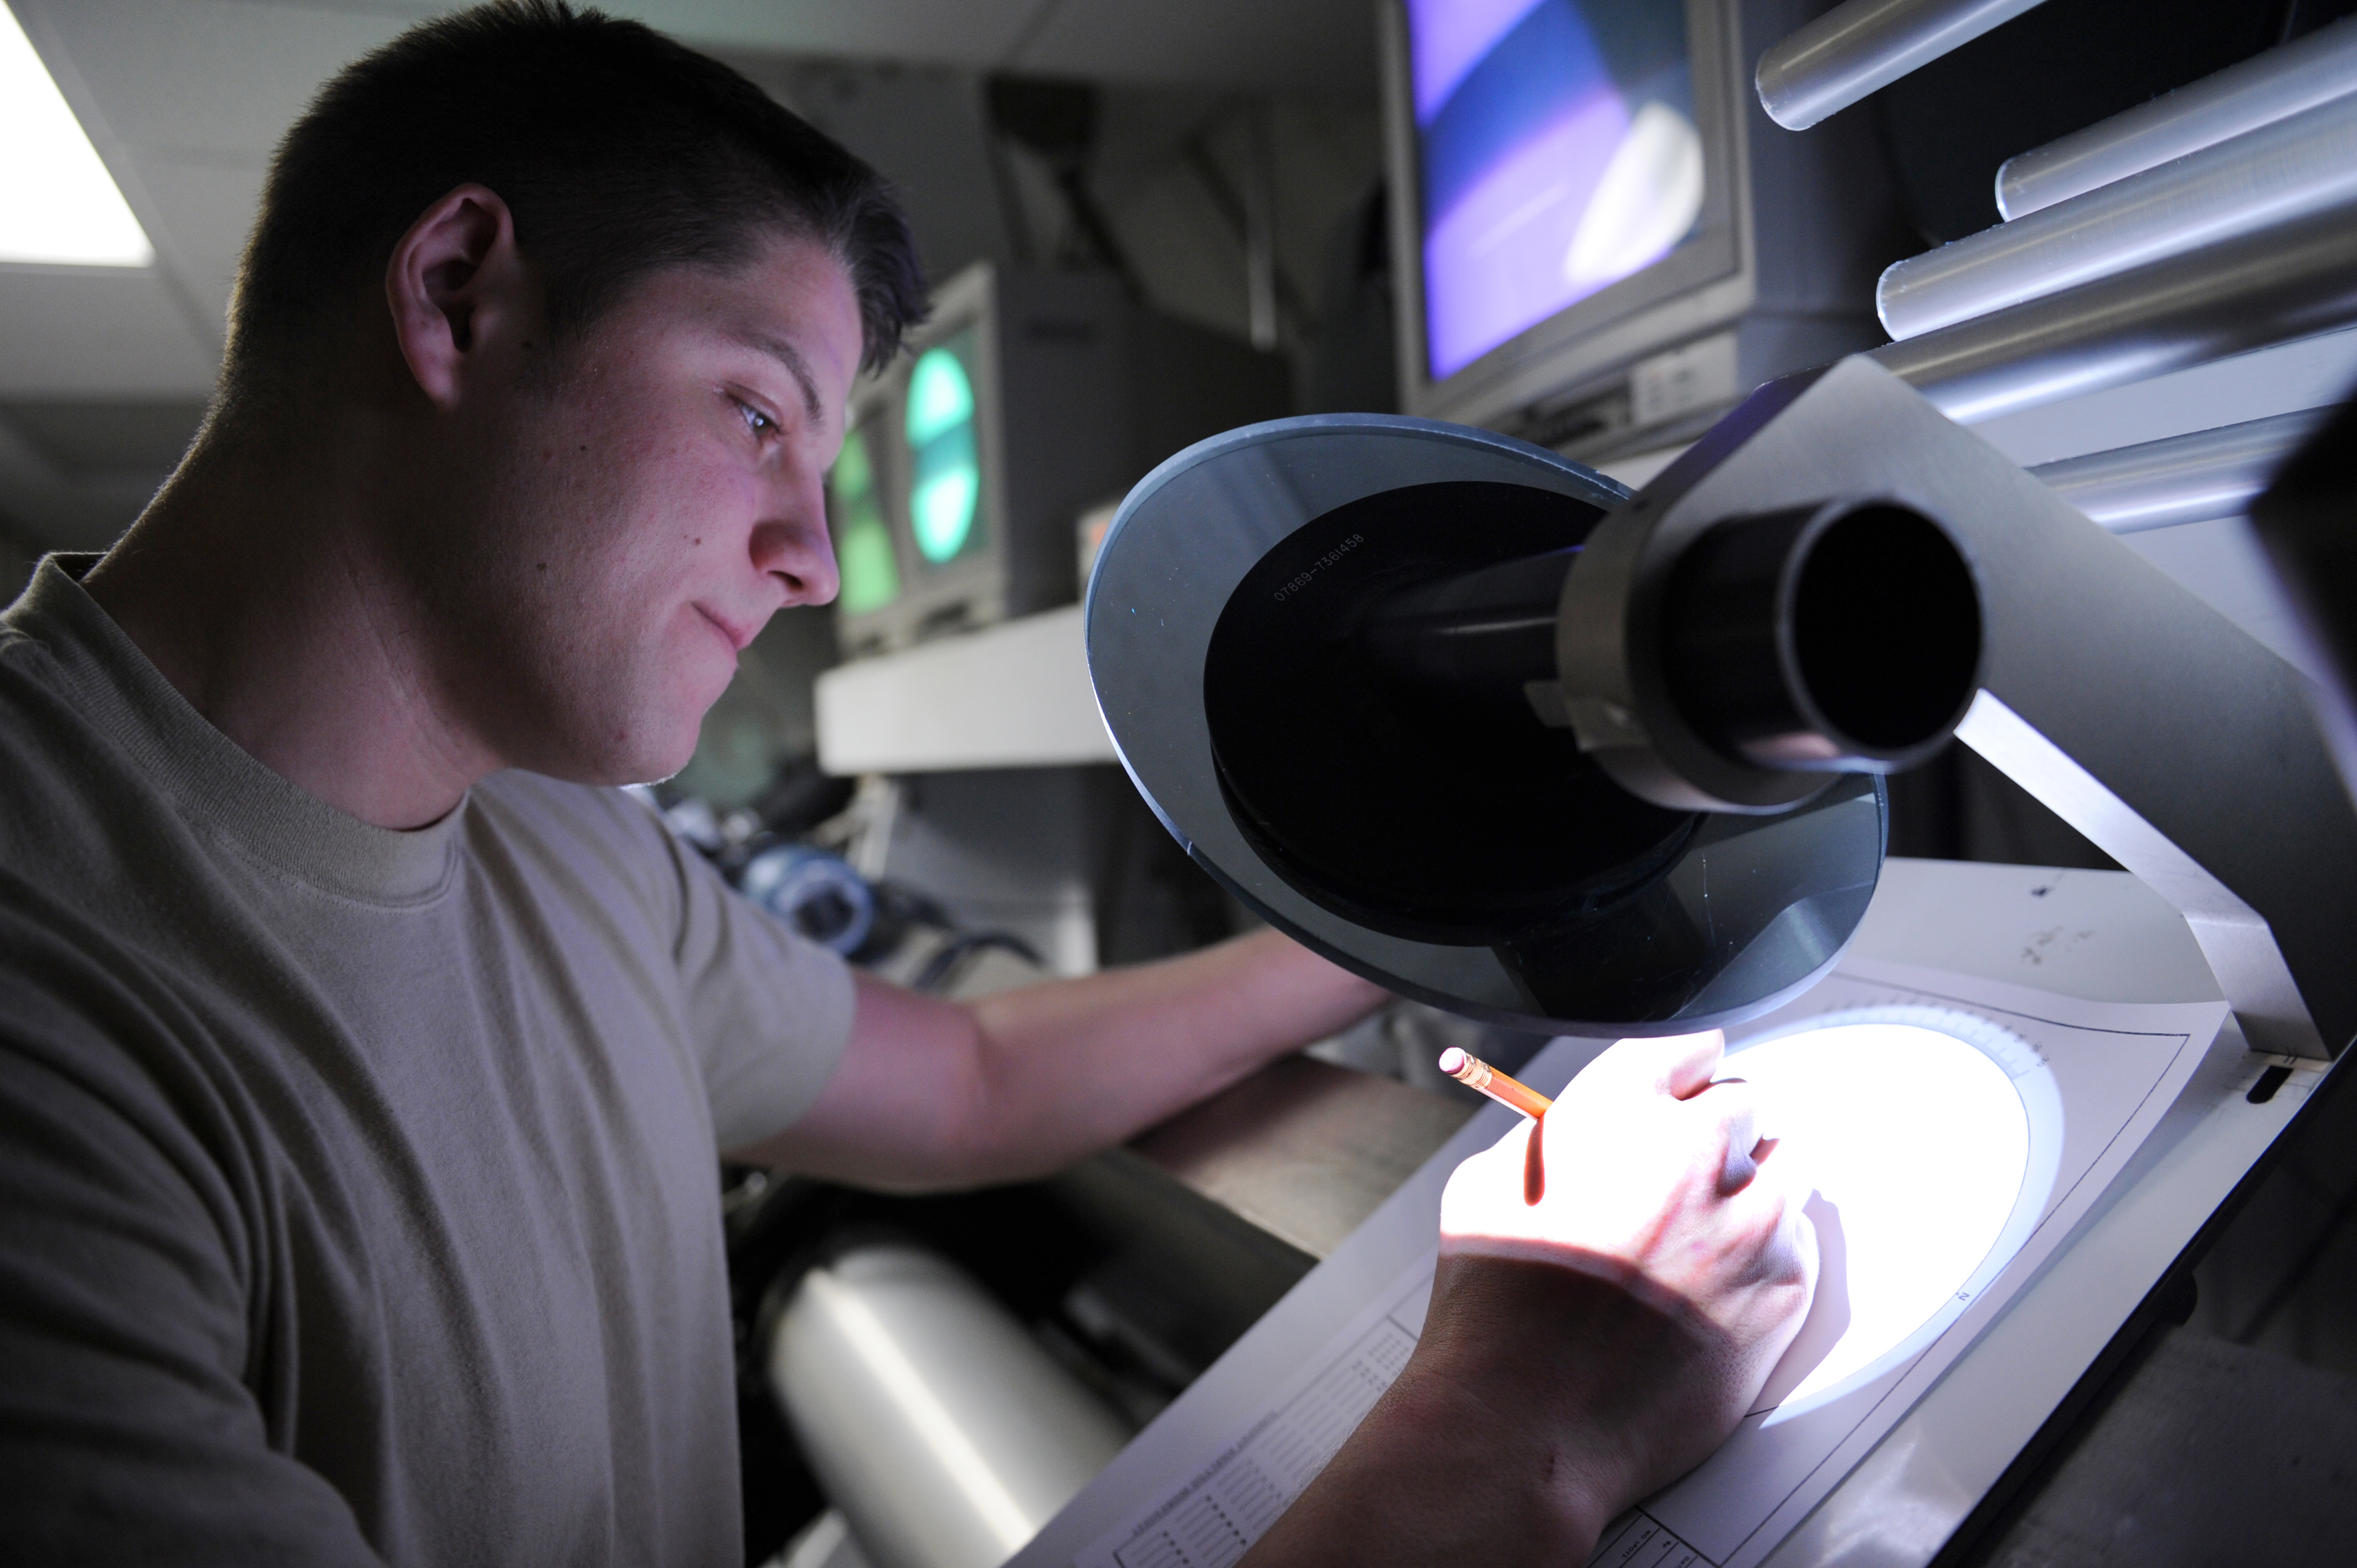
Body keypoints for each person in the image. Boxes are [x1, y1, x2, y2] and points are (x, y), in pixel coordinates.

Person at [0, 3, 1815, 1563]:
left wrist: (1416, 904)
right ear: (457, 293)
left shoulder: (548, 833)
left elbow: (963, 1079)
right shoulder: (53, 984)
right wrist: (1529, 1414)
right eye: (757, 411)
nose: (818, 562)